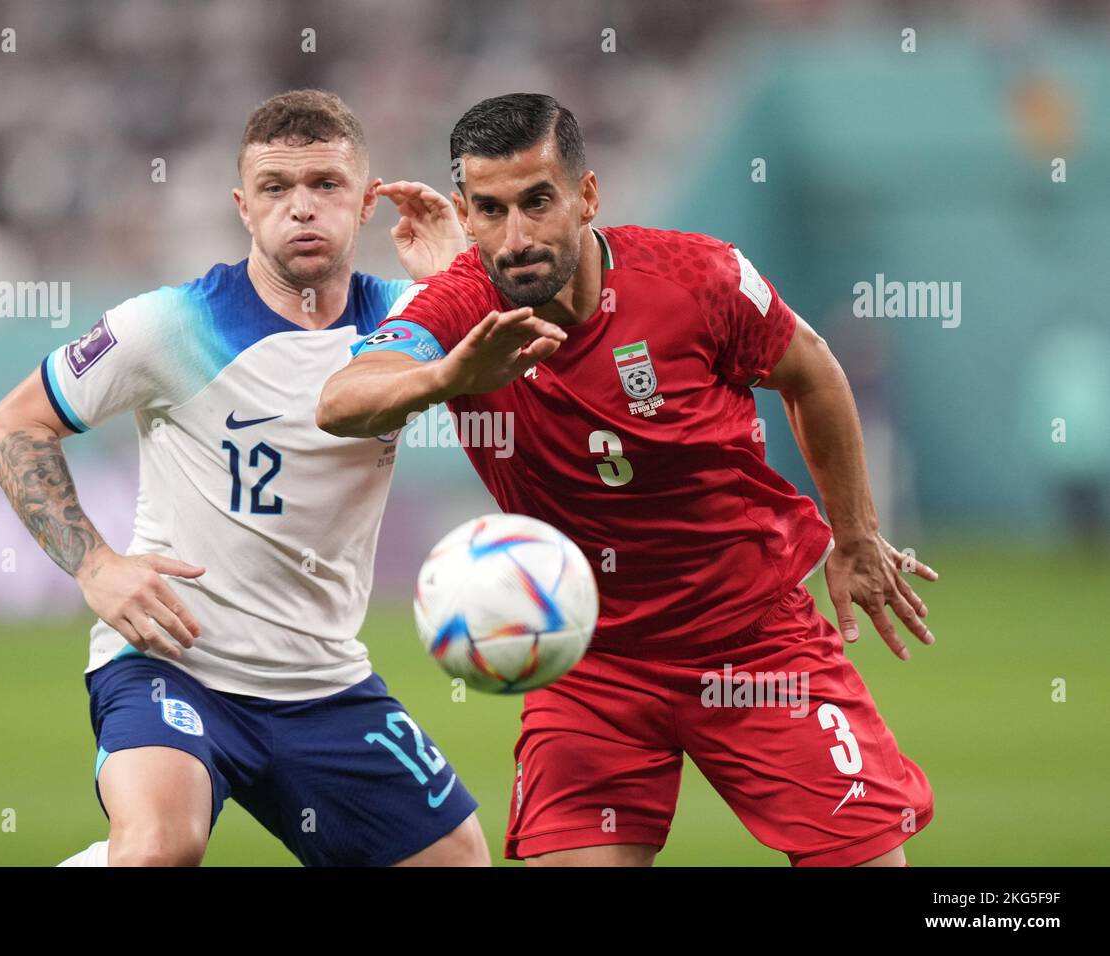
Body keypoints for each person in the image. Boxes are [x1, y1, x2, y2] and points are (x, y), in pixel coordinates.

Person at [318, 93, 938, 867]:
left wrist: (855, 535)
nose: (518, 237)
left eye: (538, 202)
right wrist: (448, 375)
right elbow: (342, 403)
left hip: (755, 645)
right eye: (492, 210)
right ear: (465, 217)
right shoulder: (460, 308)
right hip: (589, 663)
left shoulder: (697, 277)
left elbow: (811, 373)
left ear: (586, 196)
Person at [0, 89, 487, 866]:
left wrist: (463, 274)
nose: (302, 209)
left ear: (367, 200)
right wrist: (96, 565)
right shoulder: (168, 325)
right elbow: (13, 426)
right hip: (173, 665)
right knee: (158, 848)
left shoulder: (410, 326)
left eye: (326, 185)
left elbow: (538, 383)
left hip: (324, 683)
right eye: (277, 190)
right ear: (244, 208)